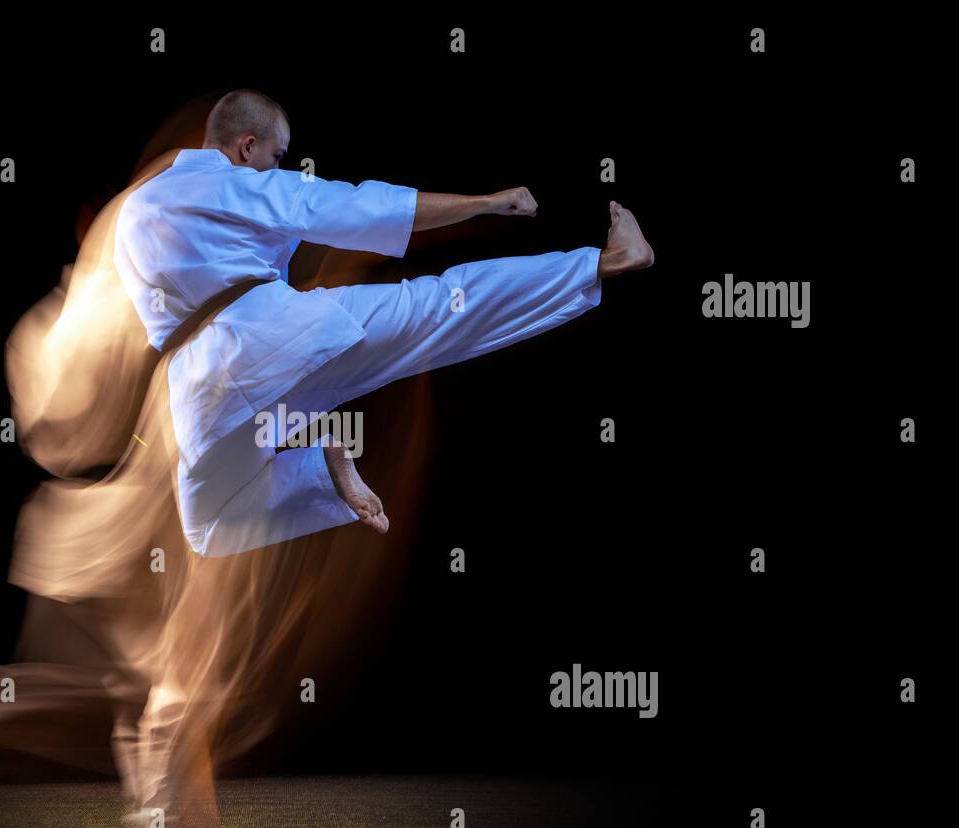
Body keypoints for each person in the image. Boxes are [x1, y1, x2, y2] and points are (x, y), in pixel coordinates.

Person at [113, 88, 654, 559]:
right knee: (438, 308)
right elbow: (355, 208)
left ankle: (325, 470)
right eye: (276, 156)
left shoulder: (133, 214)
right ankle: (604, 262)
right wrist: (483, 203)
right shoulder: (234, 183)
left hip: (199, 392)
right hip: (275, 335)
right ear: (247, 146)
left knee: (207, 526)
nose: (277, 167)